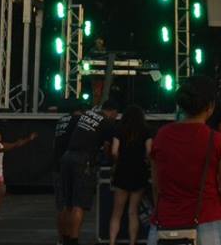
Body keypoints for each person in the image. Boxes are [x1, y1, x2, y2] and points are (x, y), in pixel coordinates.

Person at [147, 77, 221, 245]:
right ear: (210, 107)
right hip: (209, 226)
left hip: (164, 227)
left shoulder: (161, 137)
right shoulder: (218, 142)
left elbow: (157, 186)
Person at [52, 92, 113, 245]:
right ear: (113, 111)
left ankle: (64, 240)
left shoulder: (85, 116)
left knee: (67, 203)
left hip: (66, 157)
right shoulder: (106, 122)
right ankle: (74, 240)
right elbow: (108, 148)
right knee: (79, 204)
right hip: (83, 159)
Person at [106, 104, 150, 245]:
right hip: (139, 171)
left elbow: (114, 151)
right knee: (133, 211)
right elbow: (149, 152)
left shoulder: (119, 129)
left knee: (117, 212)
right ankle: (133, 242)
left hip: (122, 172)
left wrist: (119, 160)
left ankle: (112, 241)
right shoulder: (146, 130)